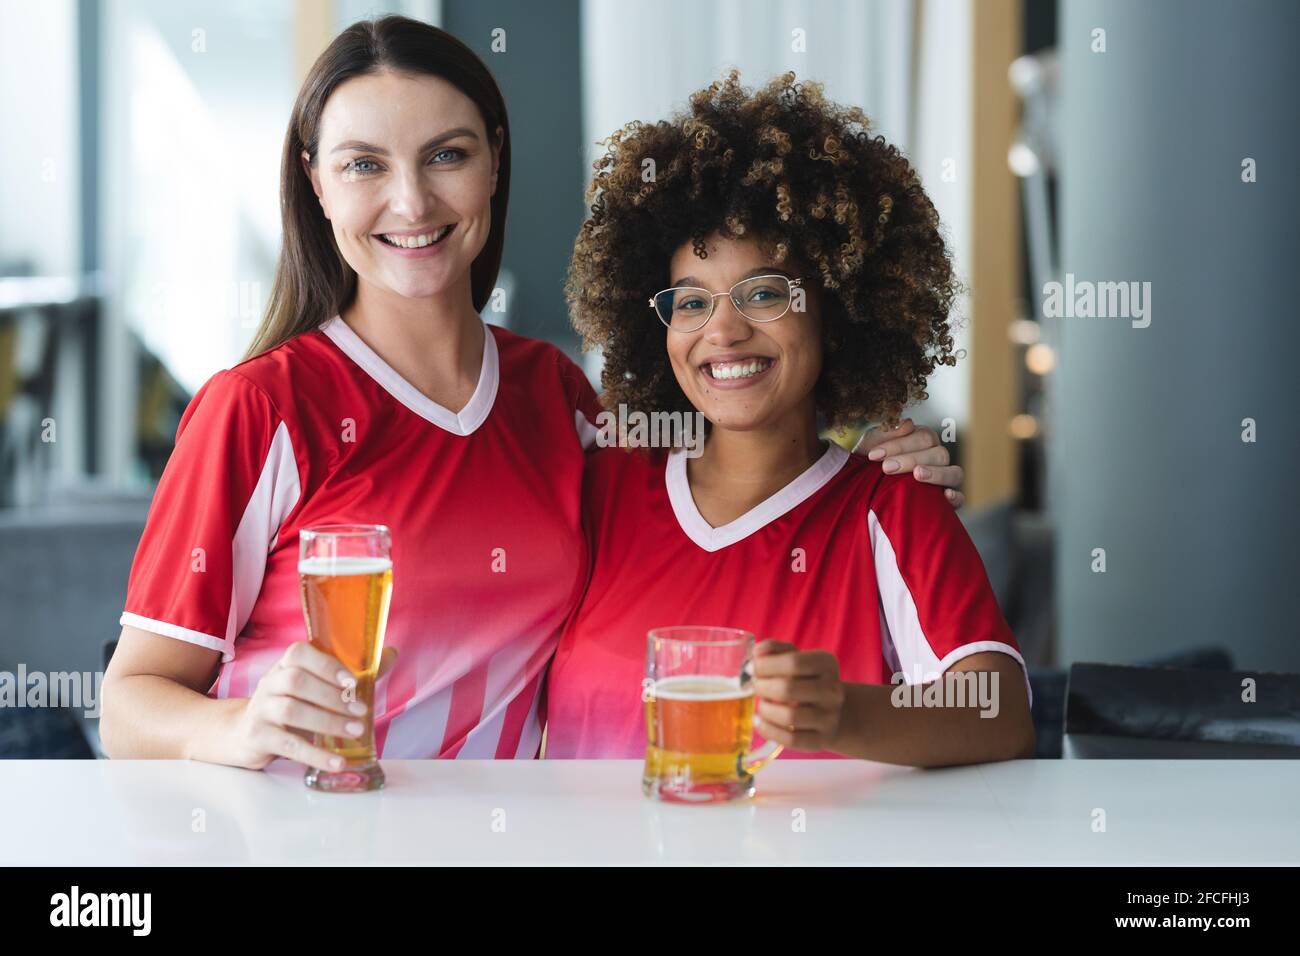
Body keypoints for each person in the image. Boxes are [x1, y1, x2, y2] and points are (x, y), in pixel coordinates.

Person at [100, 19, 961, 772]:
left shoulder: (558, 398)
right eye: (364, 164)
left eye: (447, 154)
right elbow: (130, 702)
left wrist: (878, 462)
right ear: (318, 183)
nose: (412, 200)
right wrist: (237, 725)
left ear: (495, 161)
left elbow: (734, 451)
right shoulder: (261, 409)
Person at [546, 71, 1033, 766]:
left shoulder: (891, 506)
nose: (723, 331)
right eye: (690, 302)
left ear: (833, 310)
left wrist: (845, 714)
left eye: (764, 293)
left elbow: (999, 711)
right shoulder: (601, 491)